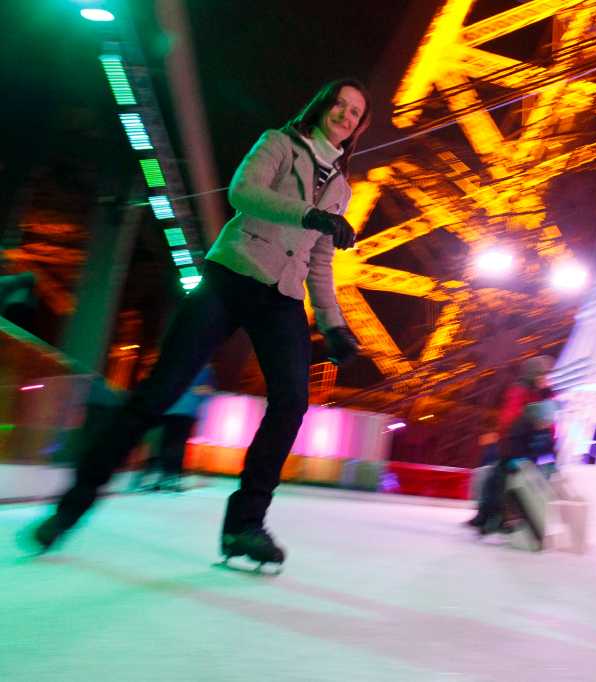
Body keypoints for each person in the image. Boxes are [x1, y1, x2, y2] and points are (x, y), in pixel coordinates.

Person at [21, 79, 371, 568]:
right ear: (321, 106)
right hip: (231, 276)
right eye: (340, 103)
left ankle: (245, 525)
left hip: (282, 299)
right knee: (161, 391)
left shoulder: (342, 188)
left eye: (355, 111)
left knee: (292, 400)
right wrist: (311, 215)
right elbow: (244, 194)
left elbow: (319, 263)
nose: (345, 114)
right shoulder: (278, 143)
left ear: (358, 126)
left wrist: (334, 325)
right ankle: (71, 506)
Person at [467, 355, 554, 534]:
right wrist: (530, 418)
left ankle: (498, 516)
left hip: (531, 447)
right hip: (515, 444)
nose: (546, 379)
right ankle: (491, 516)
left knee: (504, 478)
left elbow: (550, 423)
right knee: (497, 477)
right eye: (543, 375)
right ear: (533, 375)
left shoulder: (544, 394)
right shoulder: (520, 391)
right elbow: (509, 419)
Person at [133, 364, 215, 492]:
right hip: (182, 411)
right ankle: (169, 477)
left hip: (172, 410)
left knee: (166, 443)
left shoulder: (187, 366)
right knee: (175, 445)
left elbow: (207, 391)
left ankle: (160, 476)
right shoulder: (203, 369)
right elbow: (208, 391)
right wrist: (197, 394)